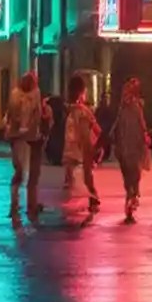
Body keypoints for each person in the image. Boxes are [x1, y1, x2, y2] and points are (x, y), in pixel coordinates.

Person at [4, 72, 49, 218]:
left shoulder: (15, 95)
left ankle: (18, 204)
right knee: (27, 175)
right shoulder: (33, 95)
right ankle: (27, 205)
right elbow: (37, 117)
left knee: (21, 173)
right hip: (28, 138)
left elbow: (11, 117)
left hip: (18, 137)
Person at [114, 78, 151, 222]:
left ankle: (131, 196)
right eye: (125, 93)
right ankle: (131, 195)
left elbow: (141, 125)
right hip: (123, 147)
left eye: (129, 93)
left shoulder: (136, 107)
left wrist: (145, 137)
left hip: (134, 146)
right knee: (127, 175)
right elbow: (117, 127)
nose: (126, 96)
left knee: (134, 173)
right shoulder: (121, 109)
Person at [62, 76, 102, 211]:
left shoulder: (71, 111)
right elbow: (97, 130)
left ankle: (92, 199)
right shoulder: (82, 111)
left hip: (73, 149)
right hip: (82, 148)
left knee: (77, 177)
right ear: (82, 92)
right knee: (86, 176)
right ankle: (93, 199)